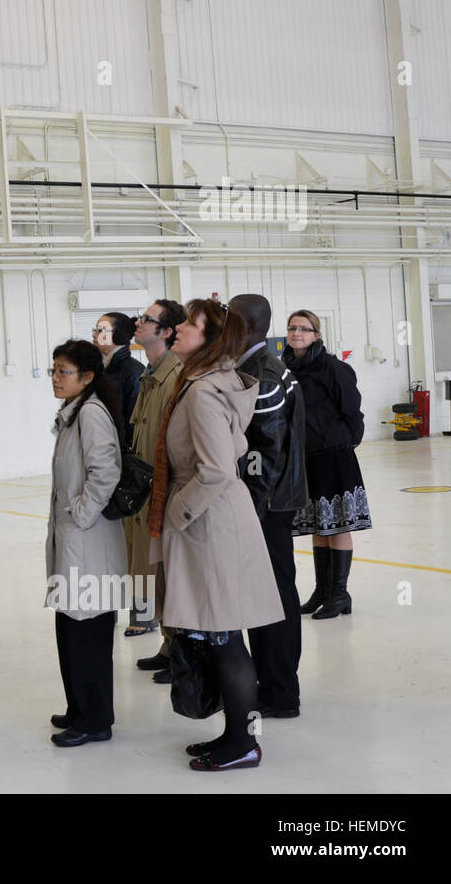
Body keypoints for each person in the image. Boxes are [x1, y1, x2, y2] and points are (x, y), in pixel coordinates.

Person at [149, 299, 284, 771]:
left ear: (211, 339)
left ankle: (243, 743)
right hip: (210, 522)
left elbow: (213, 471)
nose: (179, 327)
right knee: (218, 633)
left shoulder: (204, 393)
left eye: (190, 322)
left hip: (208, 524)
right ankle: (232, 734)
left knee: (224, 636)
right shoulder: (201, 383)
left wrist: (175, 515)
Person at [44, 339, 127, 747]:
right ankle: (79, 707)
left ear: (88, 377)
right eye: (54, 369)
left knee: (89, 634)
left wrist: (79, 514)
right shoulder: (73, 413)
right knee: (70, 628)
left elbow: (105, 473)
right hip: (74, 541)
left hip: (88, 542)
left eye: (64, 371)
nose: (56, 378)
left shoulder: (91, 414)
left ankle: (95, 720)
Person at [230, 294, 308, 719]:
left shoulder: (263, 374)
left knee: (274, 599)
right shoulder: (259, 367)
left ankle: (280, 692)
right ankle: (274, 684)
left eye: (229, 321)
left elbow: (265, 451)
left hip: (270, 505)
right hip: (273, 500)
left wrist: (251, 508)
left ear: (248, 326)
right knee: (271, 595)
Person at [282, 310, 369, 620]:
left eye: (304, 329)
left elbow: (353, 413)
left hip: (335, 457)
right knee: (320, 525)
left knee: (339, 525)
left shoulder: (333, 368)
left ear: (317, 335)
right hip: (307, 458)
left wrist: (343, 442)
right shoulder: (286, 370)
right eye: (292, 328)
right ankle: (322, 590)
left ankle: (339, 592)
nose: (296, 333)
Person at [123, 300, 187, 648]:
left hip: (165, 492)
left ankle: (179, 650)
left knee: (169, 574)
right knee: (153, 573)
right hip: (144, 492)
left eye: (146, 320)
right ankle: (168, 644)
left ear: (166, 332)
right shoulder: (150, 376)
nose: (137, 323)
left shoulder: (175, 377)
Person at [93, 312, 145, 445]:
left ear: (117, 335)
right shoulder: (99, 367)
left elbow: (134, 422)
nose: (94, 334)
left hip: (121, 451)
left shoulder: (133, 370)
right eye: (95, 330)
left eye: (100, 330)